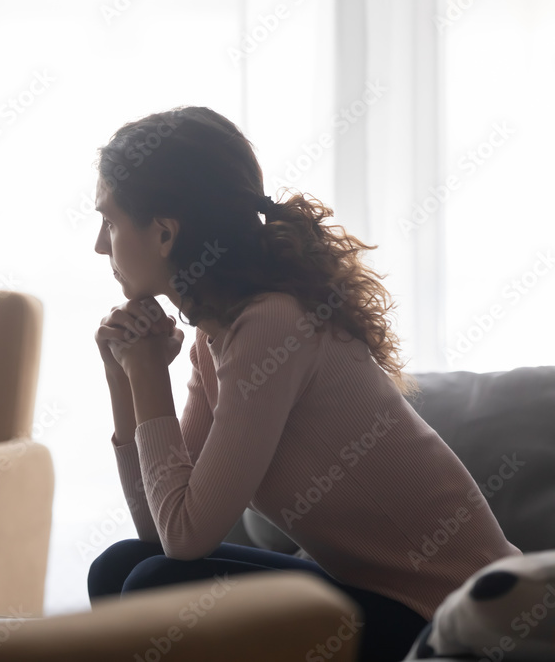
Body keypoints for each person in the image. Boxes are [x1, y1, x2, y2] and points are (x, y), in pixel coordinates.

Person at [88, 106, 521, 662]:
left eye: (110, 221)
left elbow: (184, 537)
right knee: (121, 566)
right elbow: (157, 527)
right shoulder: (215, 337)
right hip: (373, 596)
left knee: (152, 582)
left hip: (456, 619)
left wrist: (148, 374)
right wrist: (122, 376)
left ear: (165, 232)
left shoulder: (270, 325)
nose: (100, 245)